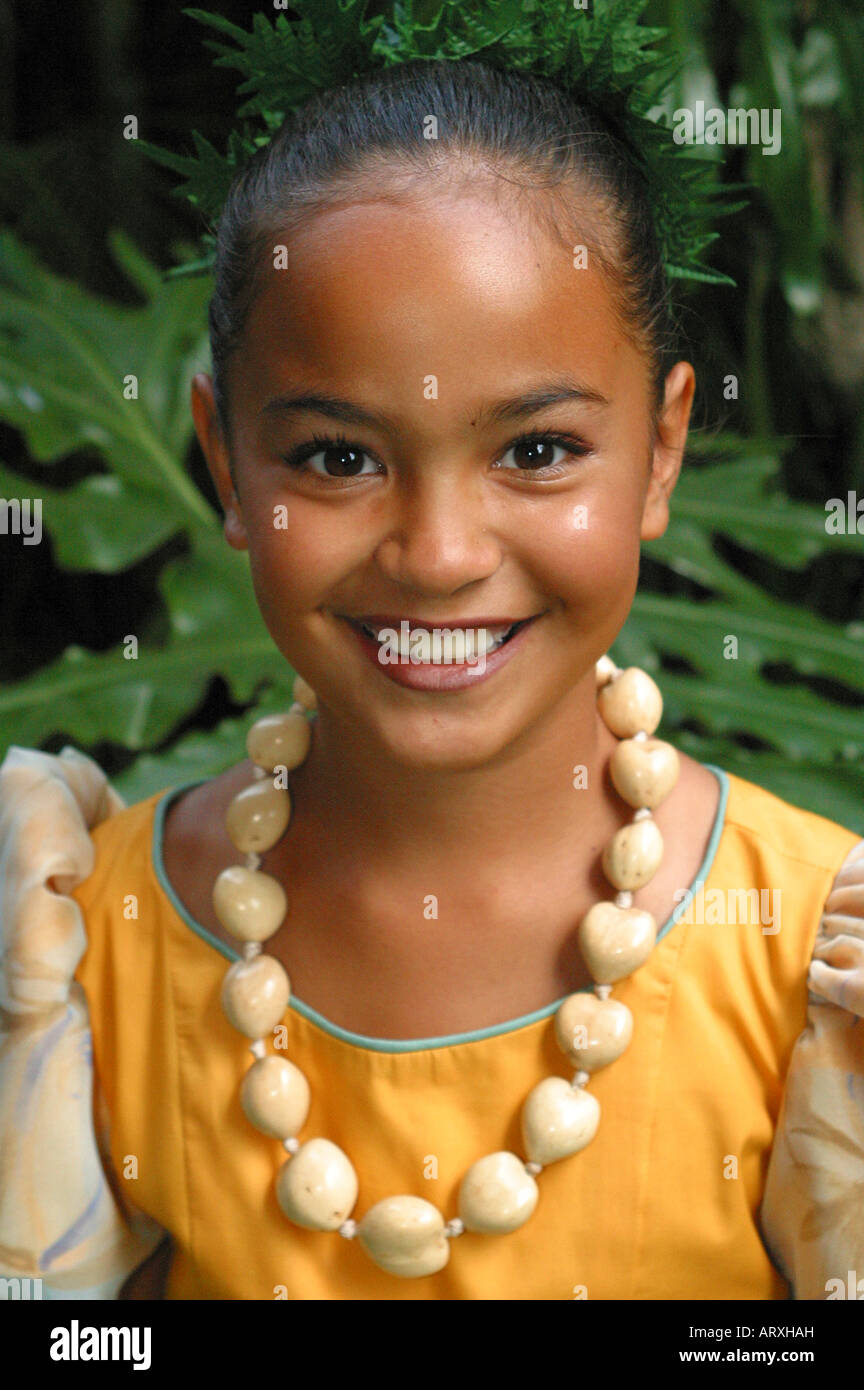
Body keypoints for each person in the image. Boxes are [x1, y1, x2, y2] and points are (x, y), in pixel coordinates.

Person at [1, 27, 863, 1302]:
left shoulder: (808, 968)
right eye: (340, 458)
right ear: (229, 464)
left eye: (538, 450)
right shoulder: (84, 956)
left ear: (664, 449)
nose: (441, 554)